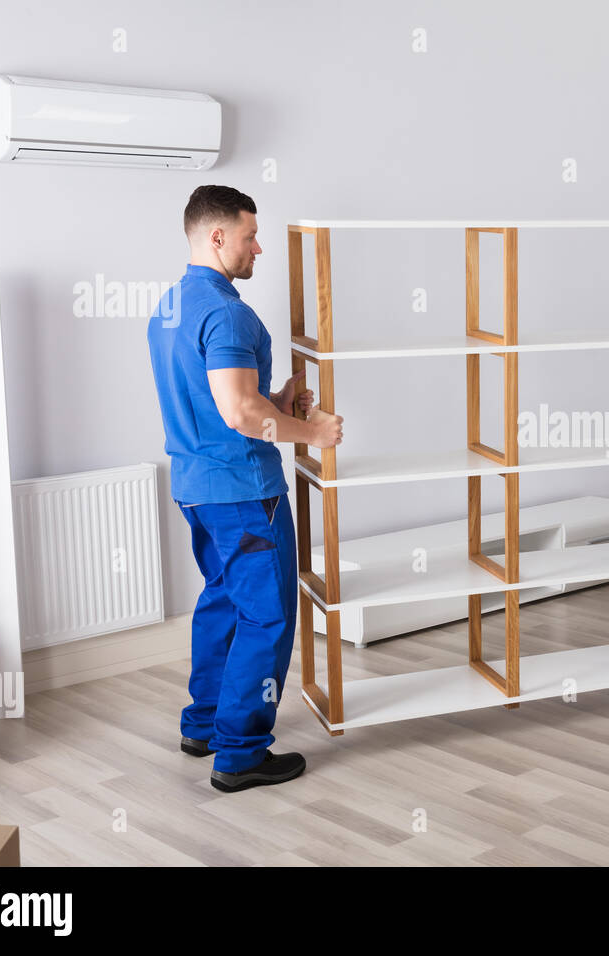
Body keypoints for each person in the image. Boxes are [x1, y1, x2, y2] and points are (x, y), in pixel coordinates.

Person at [146, 185, 343, 791]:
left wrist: (275, 401)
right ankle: (240, 754)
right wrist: (312, 432)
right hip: (244, 492)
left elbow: (221, 401)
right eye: (250, 236)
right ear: (216, 236)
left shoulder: (170, 307)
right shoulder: (228, 313)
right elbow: (238, 413)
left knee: (223, 603)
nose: (258, 248)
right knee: (267, 618)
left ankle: (204, 726)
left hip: (197, 488)